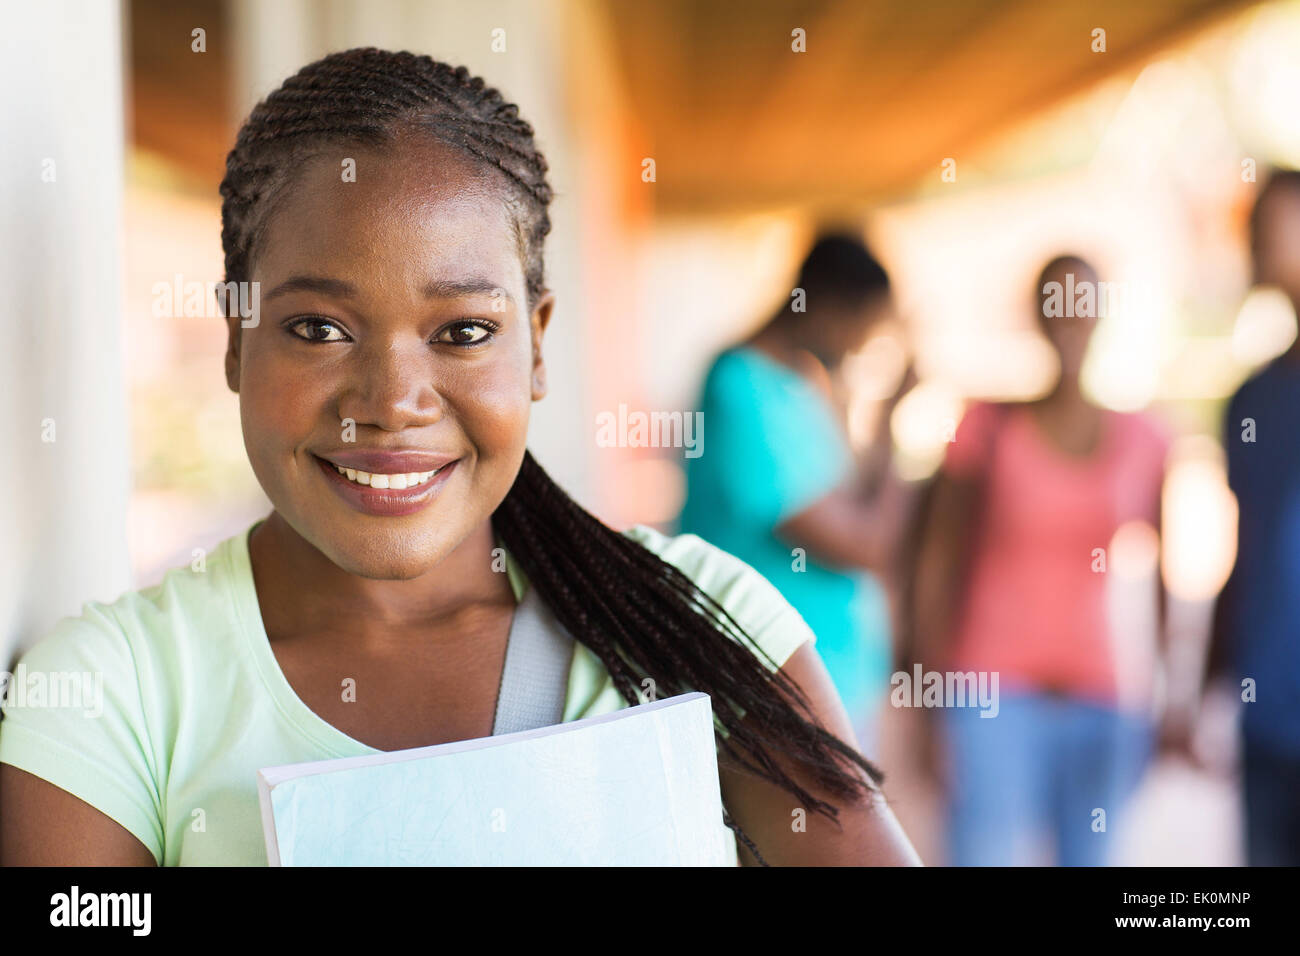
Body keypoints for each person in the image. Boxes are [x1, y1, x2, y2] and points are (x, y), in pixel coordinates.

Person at [0, 49, 919, 867]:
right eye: (318, 328)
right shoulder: (110, 694)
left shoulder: (701, 622)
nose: (392, 401)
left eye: (465, 331)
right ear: (238, 342)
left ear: (538, 348)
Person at [913, 253, 1172, 866]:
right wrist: (923, 695)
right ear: (1038, 317)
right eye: (1057, 304)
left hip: (1101, 695)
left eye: (1083, 304)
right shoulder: (985, 426)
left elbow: (1162, 575)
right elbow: (937, 561)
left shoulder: (1146, 439)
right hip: (988, 691)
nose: (1070, 320)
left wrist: (1172, 693)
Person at [679, 235, 915, 759]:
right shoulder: (739, 385)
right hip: (777, 692)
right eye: (862, 328)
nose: (860, 347)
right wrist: (896, 429)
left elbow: (855, 495)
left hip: (833, 686)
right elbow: (865, 544)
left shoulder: (802, 382)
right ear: (828, 305)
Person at [1204, 168, 1300, 866]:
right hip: (1266, 718)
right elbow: (1243, 551)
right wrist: (1204, 682)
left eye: (1278, 218)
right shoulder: (1251, 401)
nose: (1258, 238)